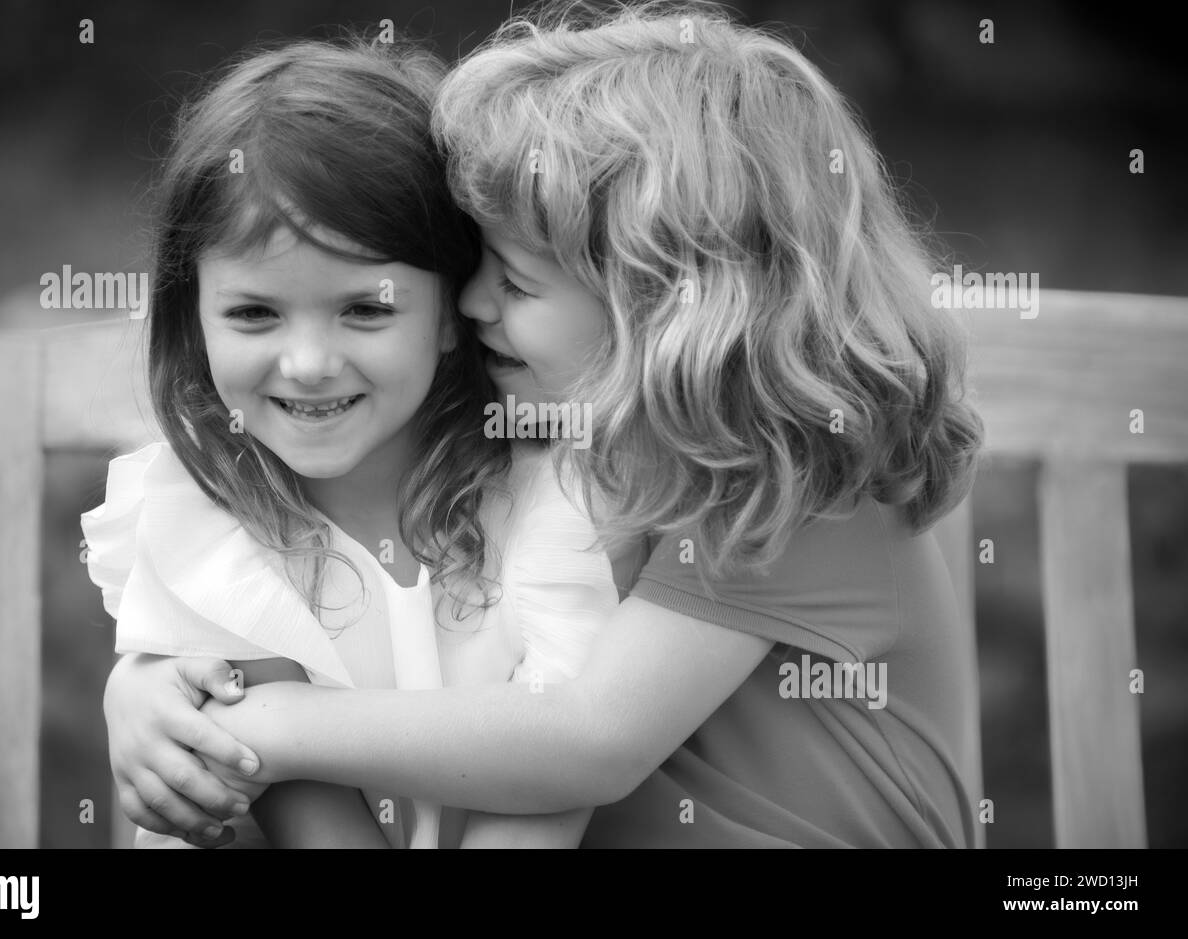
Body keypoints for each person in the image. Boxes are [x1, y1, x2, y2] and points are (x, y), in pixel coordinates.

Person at [105, 1, 985, 848]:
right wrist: (147, 683)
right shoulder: (591, 461)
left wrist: (264, 722)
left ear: (665, 310)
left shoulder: (792, 479)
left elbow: (587, 738)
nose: (474, 301)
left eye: (516, 283)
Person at [83, 36, 621, 848]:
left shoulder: (551, 498)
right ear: (192, 317)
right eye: (254, 313)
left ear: (453, 309)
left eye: (365, 310)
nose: (307, 364)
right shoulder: (199, 519)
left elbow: (547, 787)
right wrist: (134, 682)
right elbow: (313, 825)